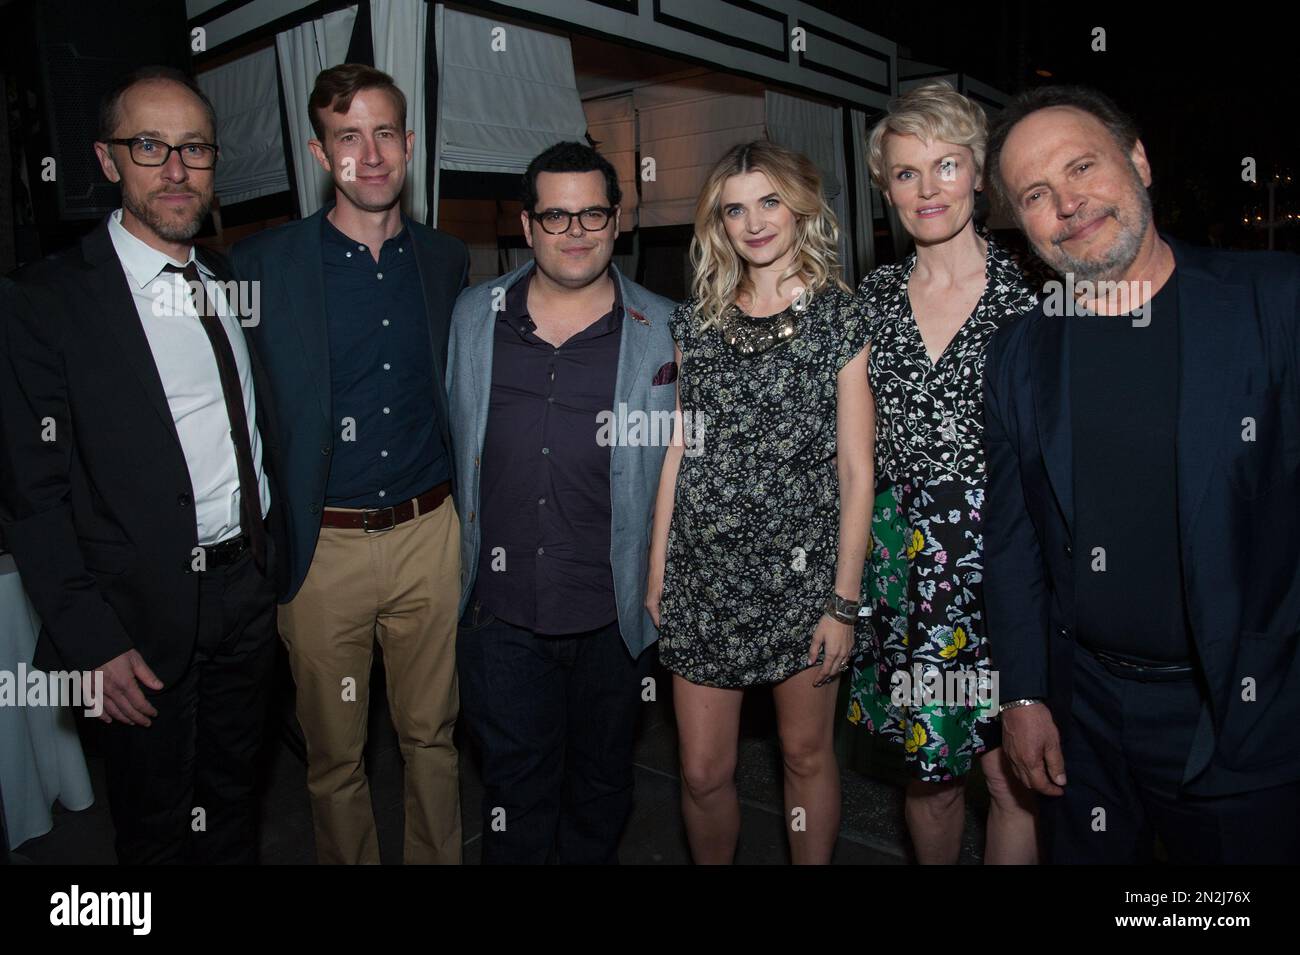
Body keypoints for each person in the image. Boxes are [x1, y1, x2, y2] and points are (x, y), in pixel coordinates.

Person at [982, 84, 1300, 863]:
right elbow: (1013, 543)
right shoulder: (1021, 352)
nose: (1068, 203)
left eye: (1082, 166)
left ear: (1139, 161)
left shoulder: (1276, 300)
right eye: (1035, 193)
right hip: (1080, 716)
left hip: (1244, 715)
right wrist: (1023, 694)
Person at [0, 66, 281, 863]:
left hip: (246, 594)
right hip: (135, 617)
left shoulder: (227, 280)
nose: (176, 169)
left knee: (233, 800)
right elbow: (33, 494)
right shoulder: (47, 301)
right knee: (155, 824)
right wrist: (89, 639)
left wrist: (269, 567)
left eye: (195, 148)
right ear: (107, 158)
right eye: (150, 145)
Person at [230, 64, 468, 865]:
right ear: (319, 151)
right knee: (335, 759)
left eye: (386, 133)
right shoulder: (260, 266)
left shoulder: (445, 259)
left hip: (430, 534)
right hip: (322, 545)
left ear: (408, 143)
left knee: (433, 737)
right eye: (348, 137)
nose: (370, 155)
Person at [447, 141, 675, 864]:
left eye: (592, 214)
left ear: (616, 222)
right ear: (527, 224)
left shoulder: (668, 328)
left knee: (602, 786)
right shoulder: (473, 317)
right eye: (556, 216)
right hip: (502, 609)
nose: (575, 231)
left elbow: (687, 462)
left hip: (614, 611)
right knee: (516, 792)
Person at [648, 140, 873, 864]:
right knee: (703, 770)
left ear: (801, 204)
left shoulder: (841, 317)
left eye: (769, 200)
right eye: (735, 207)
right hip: (703, 577)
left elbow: (856, 472)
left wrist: (842, 602)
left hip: (803, 581)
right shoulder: (697, 321)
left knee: (805, 757)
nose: (754, 221)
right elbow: (678, 451)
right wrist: (657, 574)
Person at [846, 81, 1040, 864]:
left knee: (1012, 776)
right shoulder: (875, 298)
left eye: (947, 166)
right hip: (905, 574)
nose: (927, 190)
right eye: (905, 173)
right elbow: (849, 454)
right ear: (884, 188)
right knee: (931, 778)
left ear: (980, 172)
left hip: (1007, 567)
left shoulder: (1030, 296)